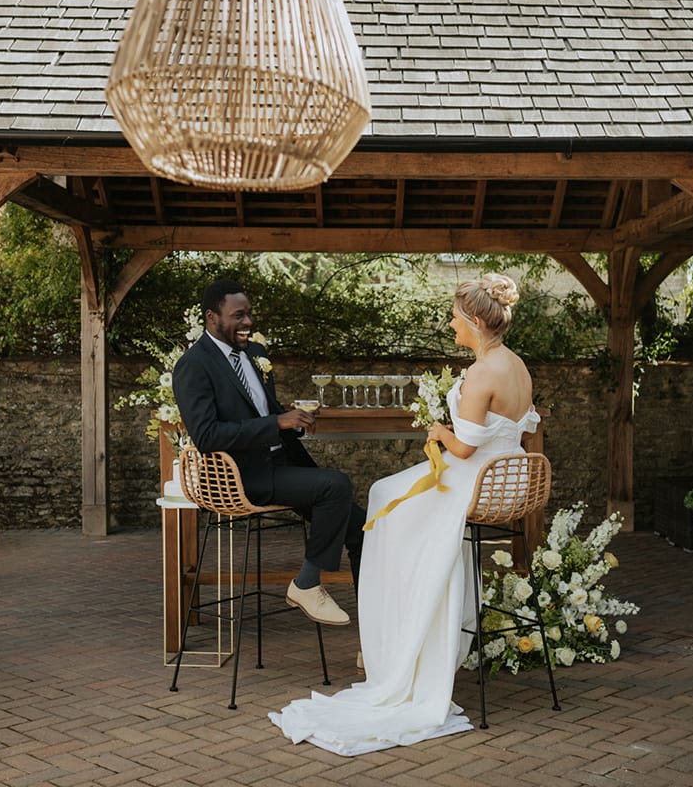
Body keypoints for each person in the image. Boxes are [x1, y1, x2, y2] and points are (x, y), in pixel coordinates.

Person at [270, 273, 539, 756]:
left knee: (380, 501)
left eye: (456, 318)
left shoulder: (482, 374)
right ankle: (398, 632)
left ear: (476, 320)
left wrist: (437, 429)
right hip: (510, 478)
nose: (451, 325)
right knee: (387, 493)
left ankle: (399, 643)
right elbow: (515, 429)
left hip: (474, 483)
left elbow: (462, 448)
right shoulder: (516, 364)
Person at [172, 278, 365, 626]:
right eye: (238, 315)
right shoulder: (194, 365)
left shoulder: (256, 356)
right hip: (245, 477)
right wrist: (277, 423)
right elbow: (206, 435)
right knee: (335, 485)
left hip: (281, 465)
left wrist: (294, 419)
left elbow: (260, 410)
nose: (248, 322)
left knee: (364, 530)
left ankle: (375, 641)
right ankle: (306, 584)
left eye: (249, 314)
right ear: (211, 317)